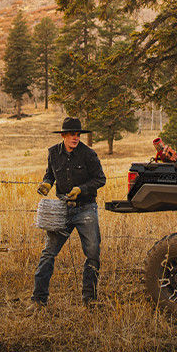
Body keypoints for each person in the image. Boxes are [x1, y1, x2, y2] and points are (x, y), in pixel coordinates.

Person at [28, 117, 107, 310]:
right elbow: (50, 174)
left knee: (93, 253)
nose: (76, 137)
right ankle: (38, 300)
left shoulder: (89, 154)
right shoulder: (53, 153)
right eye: (72, 134)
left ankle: (90, 300)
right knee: (48, 253)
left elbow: (100, 179)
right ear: (63, 135)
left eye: (78, 134)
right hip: (62, 209)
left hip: (86, 209)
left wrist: (81, 189)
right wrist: (47, 183)